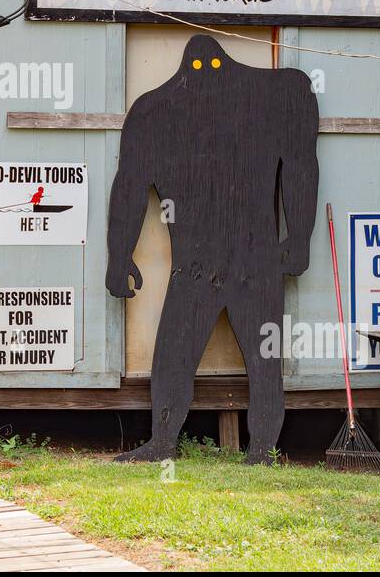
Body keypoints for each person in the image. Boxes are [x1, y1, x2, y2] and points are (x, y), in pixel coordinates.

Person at [105, 34, 319, 463]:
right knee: (185, 351)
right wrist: (118, 255)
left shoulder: (273, 97)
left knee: (258, 355)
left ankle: (259, 447)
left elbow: (300, 165)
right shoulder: (156, 112)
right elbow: (128, 187)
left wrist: (298, 239)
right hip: (209, 262)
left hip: (248, 259)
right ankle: (168, 441)